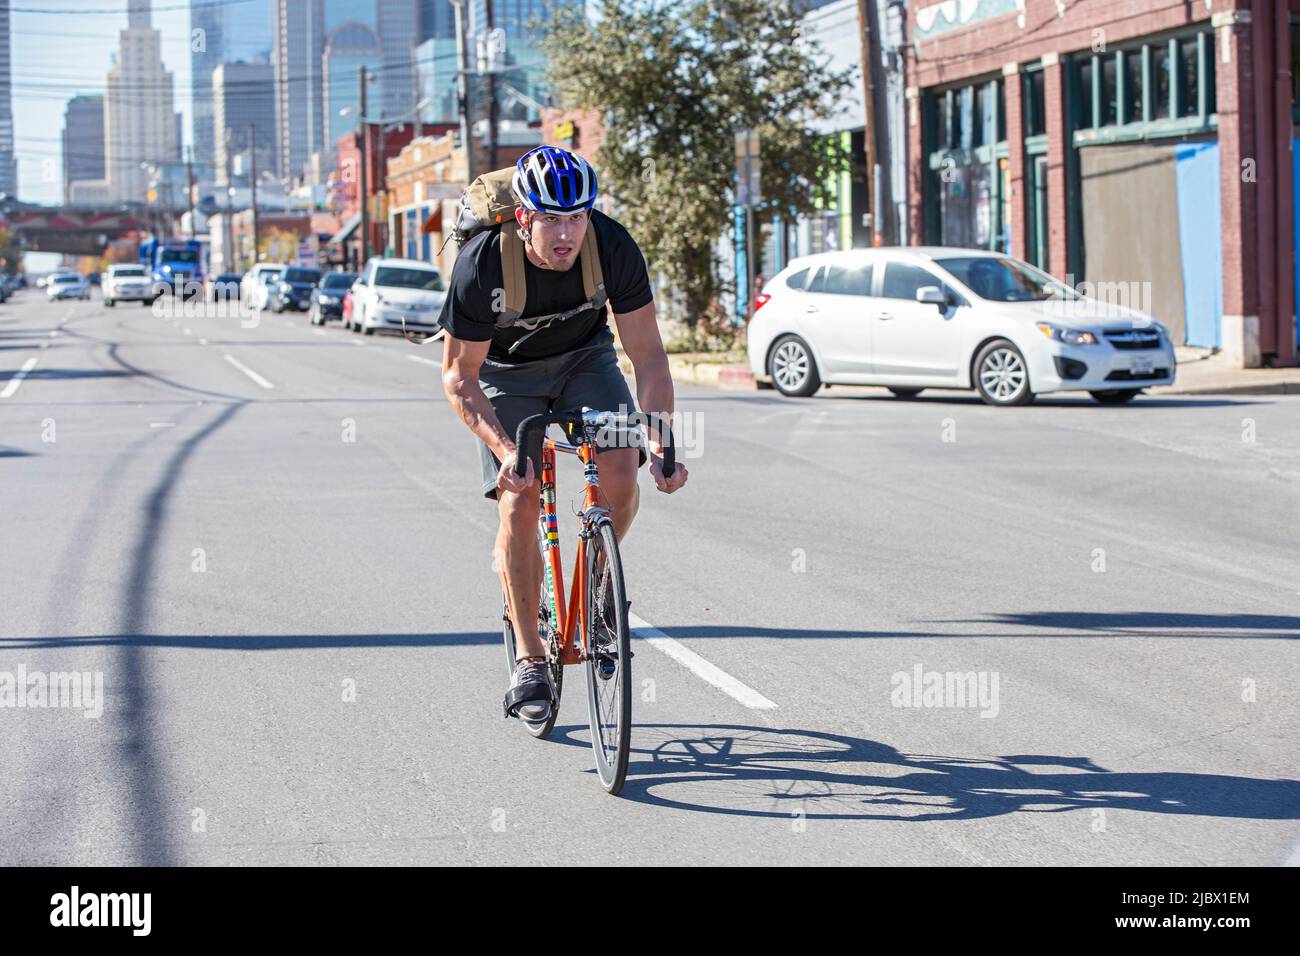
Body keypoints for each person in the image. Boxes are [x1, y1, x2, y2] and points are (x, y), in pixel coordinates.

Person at [437, 145, 688, 721]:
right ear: (524, 217)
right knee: (520, 495)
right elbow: (458, 378)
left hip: (585, 362)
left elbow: (649, 357)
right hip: (503, 373)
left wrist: (660, 442)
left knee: (621, 471)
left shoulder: (612, 247)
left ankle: (599, 585)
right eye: (551, 219)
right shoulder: (483, 265)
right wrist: (505, 450)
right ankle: (530, 658)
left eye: (576, 217)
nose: (566, 233)